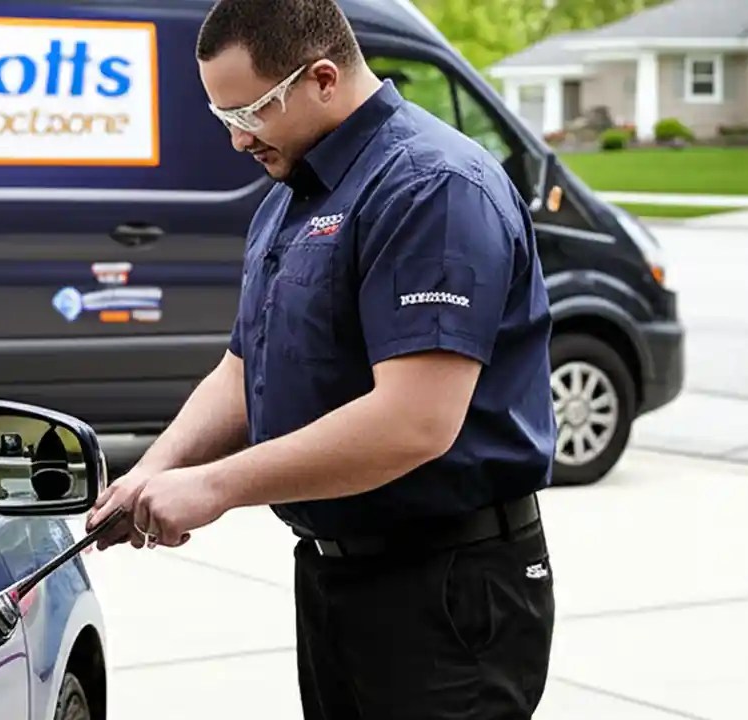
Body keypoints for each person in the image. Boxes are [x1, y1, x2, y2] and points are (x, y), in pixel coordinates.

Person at [86, 0, 557, 716]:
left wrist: (215, 487)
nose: (238, 140)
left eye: (251, 113)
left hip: (446, 587)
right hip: (338, 579)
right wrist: (156, 470)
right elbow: (246, 368)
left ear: (325, 78)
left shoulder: (432, 188)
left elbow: (415, 423)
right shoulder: (291, 197)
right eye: (224, 118)